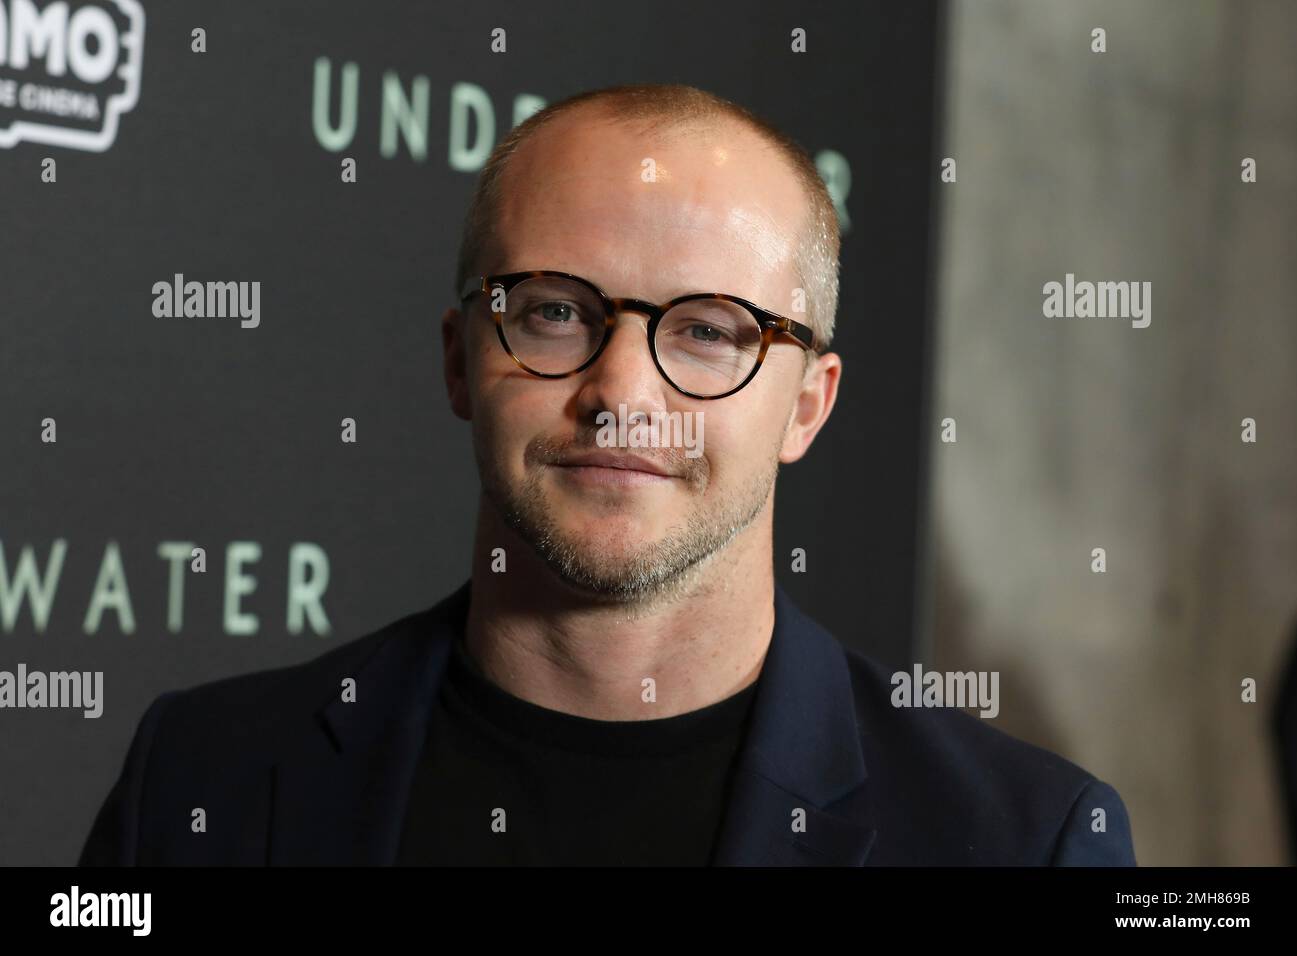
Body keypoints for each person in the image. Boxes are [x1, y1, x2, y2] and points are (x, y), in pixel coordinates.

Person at [79, 82, 1135, 866]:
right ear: (459, 360)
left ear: (806, 403)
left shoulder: (1019, 838)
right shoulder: (199, 775)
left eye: (712, 330)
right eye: (552, 311)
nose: (621, 390)